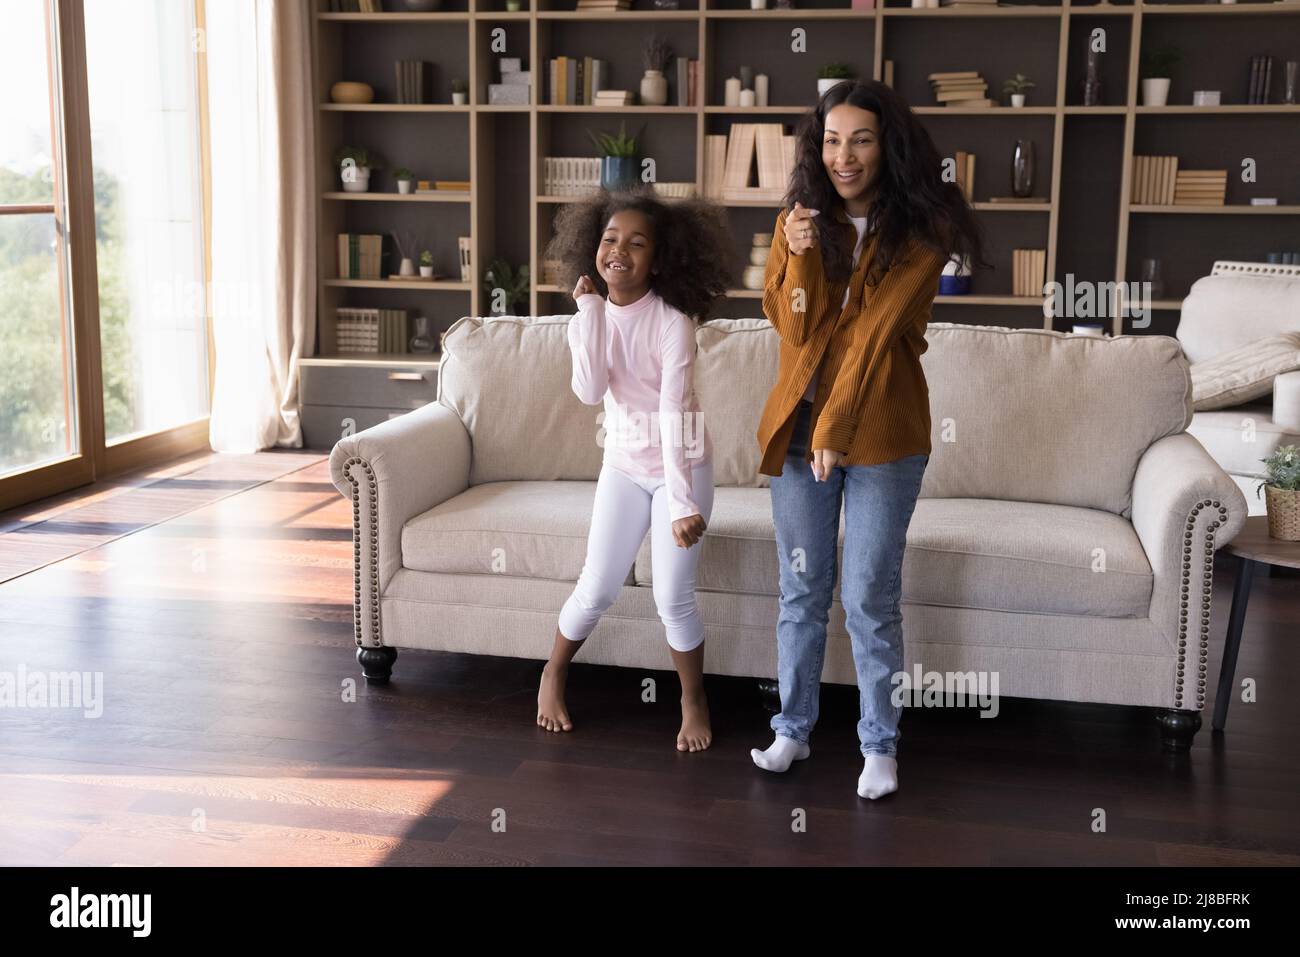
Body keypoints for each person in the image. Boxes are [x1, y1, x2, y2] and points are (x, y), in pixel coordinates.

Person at [750, 80, 988, 797]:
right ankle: (792, 728)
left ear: (889, 144)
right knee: (802, 587)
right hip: (798, 437)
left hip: (884, 435)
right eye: (830, 140)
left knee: (869, 597)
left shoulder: (925, 226)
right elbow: (794, 328)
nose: (843, 156)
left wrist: (835, 425)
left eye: (860, 139)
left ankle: (878, 745)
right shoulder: (799, 217)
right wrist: (794, 256)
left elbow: (874, 336)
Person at [536, 185, 733, 752]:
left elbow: (674, 415)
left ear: (660, 259)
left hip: (682, 462)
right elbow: (590, 389)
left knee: (672, 594)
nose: (619, 250)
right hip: (623, 464)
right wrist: (590, 312)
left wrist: (684, 504)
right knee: (597, 586)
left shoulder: (674, 323)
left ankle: (692, 698)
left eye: (637, 243)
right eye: (609, 238)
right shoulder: (586, 315)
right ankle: (553, 672)